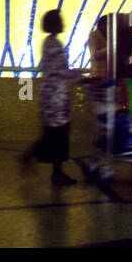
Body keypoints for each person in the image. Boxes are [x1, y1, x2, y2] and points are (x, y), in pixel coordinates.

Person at [21, 10, 84, 186]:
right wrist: (82, 78)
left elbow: (47, 67)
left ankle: (54, 172)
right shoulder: (54, 44)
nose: (63, 23)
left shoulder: (49, 43)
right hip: (56, 99)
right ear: (55, 23)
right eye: (60, 20)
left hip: (51, 97)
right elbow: (60, 70)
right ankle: (34, 159)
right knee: (57, 135)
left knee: (53, 135)